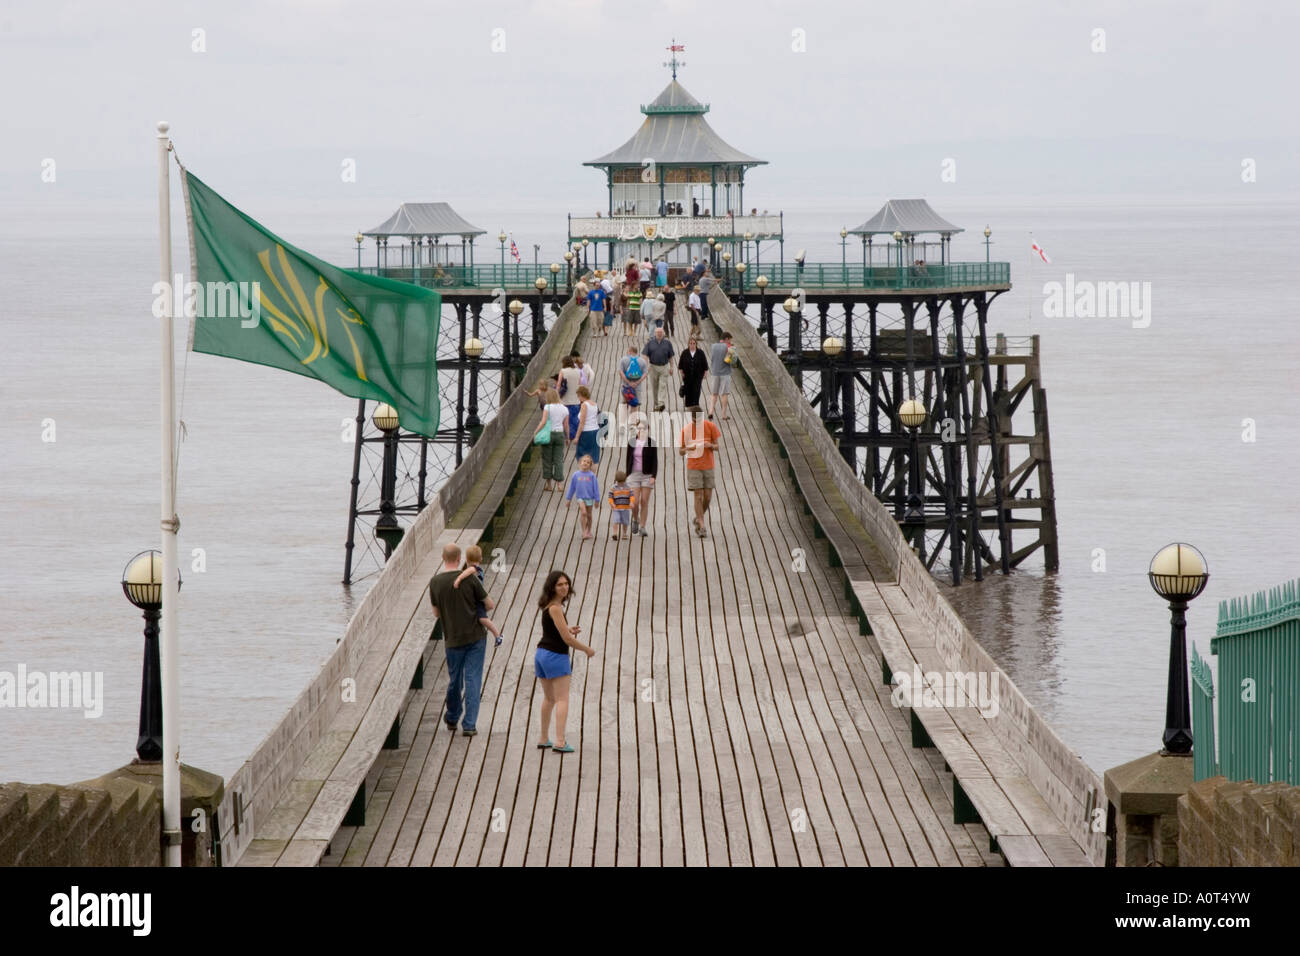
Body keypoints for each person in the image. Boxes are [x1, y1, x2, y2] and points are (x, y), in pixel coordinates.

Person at [428, 542, 492, 736]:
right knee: (473, 679)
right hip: (475, 637)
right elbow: (489, 605)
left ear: (443, 558)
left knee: (455, 680)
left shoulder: (435, 582)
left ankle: (453, 716)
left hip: (453, 639)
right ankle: (470, 725)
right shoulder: (471, 579)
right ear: (459, 559)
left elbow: (436, 613)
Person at [534, 570, 594, 754]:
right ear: (552, 587)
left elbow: (556, 630)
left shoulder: (549, 606)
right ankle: (560, 741)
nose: (564, 587)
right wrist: (586, 649)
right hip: (556, 656)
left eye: (566, 583)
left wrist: (567, 629)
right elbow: (567, 640)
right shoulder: (556, 608)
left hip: (541, 654)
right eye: (560, 584)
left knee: (549, 698)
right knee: (562, 699)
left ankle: (544, 738)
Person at [679, 405, 721, 538]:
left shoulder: (710, 427)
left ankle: (698, 518)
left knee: (708, 497)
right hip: (694, 466)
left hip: (708, 465)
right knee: (698, 495)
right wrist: (688, 449)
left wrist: (711, 446)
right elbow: (681, 451)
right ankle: (702, 525)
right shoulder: (686, 430)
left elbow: (717, 446)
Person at [454, 544, 506, 647]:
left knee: (482, 618)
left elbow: (468, 571)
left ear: (467, 559)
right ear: (481, 559)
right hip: (476, 598)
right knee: (478, 617)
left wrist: (459, 578)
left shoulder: (474, 569)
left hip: (478, 600)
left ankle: (498, 635)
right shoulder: (476, 569)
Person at [625, 416, 657, 536]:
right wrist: (627, 474)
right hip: (634, 474)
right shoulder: (632, 442)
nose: (641, 431)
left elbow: (655, 461)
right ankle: (635, 519)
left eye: (644, 428)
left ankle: (643, 526)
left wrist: (653, 475)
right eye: (639, 428)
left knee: (644, 501)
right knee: (635, 501)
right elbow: (628, 458)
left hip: (647, 474)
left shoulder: (651, 443)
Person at [536, 388, 569, 492]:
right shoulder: (564, 408)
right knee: (558, 459)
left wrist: (536, 431)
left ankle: (549, 485)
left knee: (547, 459)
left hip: (548, 434)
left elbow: (543, 422)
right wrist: (567, 437)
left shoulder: (547, 407)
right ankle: (559, 485)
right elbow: (566, 425)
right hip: (559, 434)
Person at [564, 454, 600, 539]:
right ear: (580, 463)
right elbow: (572, 487)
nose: (585, 463)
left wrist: (597, 500)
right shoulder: (576, 475)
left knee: (589, 515)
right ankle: (584, 532)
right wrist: (568, 499)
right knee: (583, 512)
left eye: (588, 462)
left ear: (590, 465)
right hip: (580, 498)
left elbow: (596, 488)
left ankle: (589, 530)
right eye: (584, 461)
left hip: (590, 498)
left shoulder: (592, 476)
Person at [642, 325, 676, 412]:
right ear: (655, 333)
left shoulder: (667, 343)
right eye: (658, 332)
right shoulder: (650, 343)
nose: (659, 334)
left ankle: (661, 402)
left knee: (662, 385)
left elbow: (671, 356)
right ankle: (656, 404)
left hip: (664, 367)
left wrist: (671, 367)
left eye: (661, 332)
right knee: (654, 387)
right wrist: (646, 366)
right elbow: (645, 355)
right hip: (653, 367)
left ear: (663, 333)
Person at [707, 332, 735, 421]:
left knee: (714, 393)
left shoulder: (713, 346)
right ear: (727, 339)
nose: (730, 341)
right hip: (725, 373)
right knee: (724, 394)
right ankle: (723, 415)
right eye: (730, 339)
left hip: (715, 372)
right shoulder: (729, 347)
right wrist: (732, 350)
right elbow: (730, 361)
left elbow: (713, 358)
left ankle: (711, 412)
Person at [678, 335, 709, 409]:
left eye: (693, 343)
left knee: (696, 391)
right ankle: (689, 407)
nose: (692, 345)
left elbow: (705, 365)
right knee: (688, 392)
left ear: (696, 344)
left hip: (697, 377)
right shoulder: (684, 353)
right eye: (690, 343)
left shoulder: (700, 353)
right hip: (687, 377)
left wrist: (705, 374)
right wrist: (682, 373)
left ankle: (695, 406)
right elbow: (680, 365)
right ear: (688, 344)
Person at [557, 355, 583, 440]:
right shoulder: (578, 371)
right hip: (575, 399)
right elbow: (579, 384)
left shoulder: (563, 371)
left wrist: (557, 394)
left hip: (565, 400)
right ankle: (576, 435)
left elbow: (559, 385)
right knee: (575, 418)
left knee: (566, 420)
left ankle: (569, 436)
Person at [574, 386, 601, 463]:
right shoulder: (594, 404)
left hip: (586, 432)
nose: (578, 399)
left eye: (578, 396)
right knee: (594, 456)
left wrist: (576, 437)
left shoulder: (584, 405)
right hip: (595, 431)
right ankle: (593, 474)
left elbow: (582, 423)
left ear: (581, 395)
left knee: (583, 456)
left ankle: (585, 473)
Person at [607, 471, 635, 540]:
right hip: (616, 508)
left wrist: (631, 502)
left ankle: (624, 533)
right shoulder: (613, 487)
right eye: (619, 482)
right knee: (616, 520)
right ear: (616, 481)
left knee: (625, 521)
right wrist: (612, 503)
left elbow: (632, 495)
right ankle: (615, 533)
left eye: (622, 482)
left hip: (625, 507)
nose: (621, 484)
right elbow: (610, 497)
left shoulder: (628, 487)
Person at [619, 344, 645, 410]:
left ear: (630, 351)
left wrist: (629, 382)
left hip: (625, 387)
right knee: (634, 405)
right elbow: (645, 374)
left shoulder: (623, 359)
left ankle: (624, 419)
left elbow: (621, 372)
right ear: (636, 352)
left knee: (625, 404)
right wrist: (637, 382)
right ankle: (633, 419)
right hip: (637, 387)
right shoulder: (642, 361)